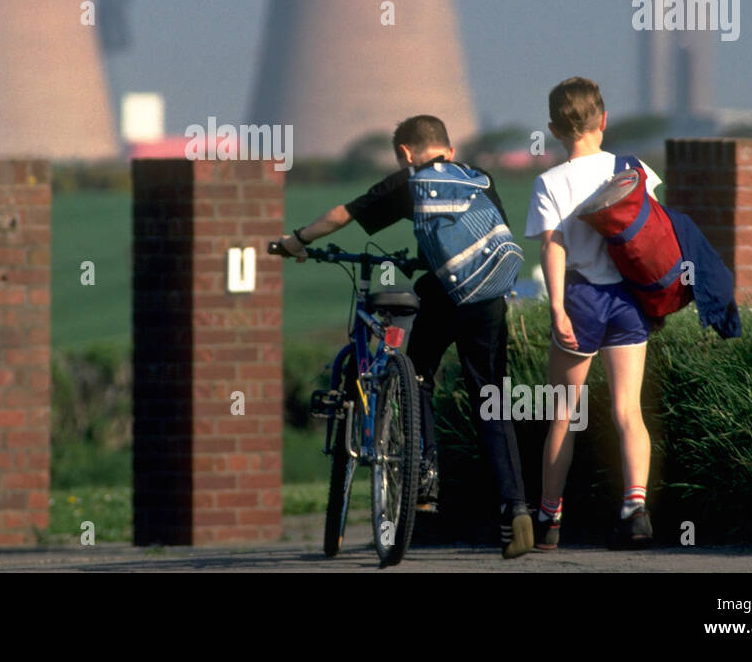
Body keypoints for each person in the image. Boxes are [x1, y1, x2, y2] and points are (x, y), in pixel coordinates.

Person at [272, 115, 535, 559]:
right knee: (491, 400)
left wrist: (296, 241)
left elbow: (345, 214)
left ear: (406, 153)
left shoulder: (410, 181)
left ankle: (424, 472)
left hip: (442, 296)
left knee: (417, 379)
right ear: (449, 151)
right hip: (489, 299)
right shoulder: (478, 177)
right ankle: (517, 509)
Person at [524, 77, 660, 550]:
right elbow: (653, 231)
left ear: (554, 129)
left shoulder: (549, 183)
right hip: (627, 299)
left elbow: (553, 246)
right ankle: (635, 510)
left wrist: (557, 308)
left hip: (580, 299)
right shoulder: (633, 169)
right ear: (604, 120)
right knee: (629, 410)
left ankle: (549, 519)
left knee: (563, 414)